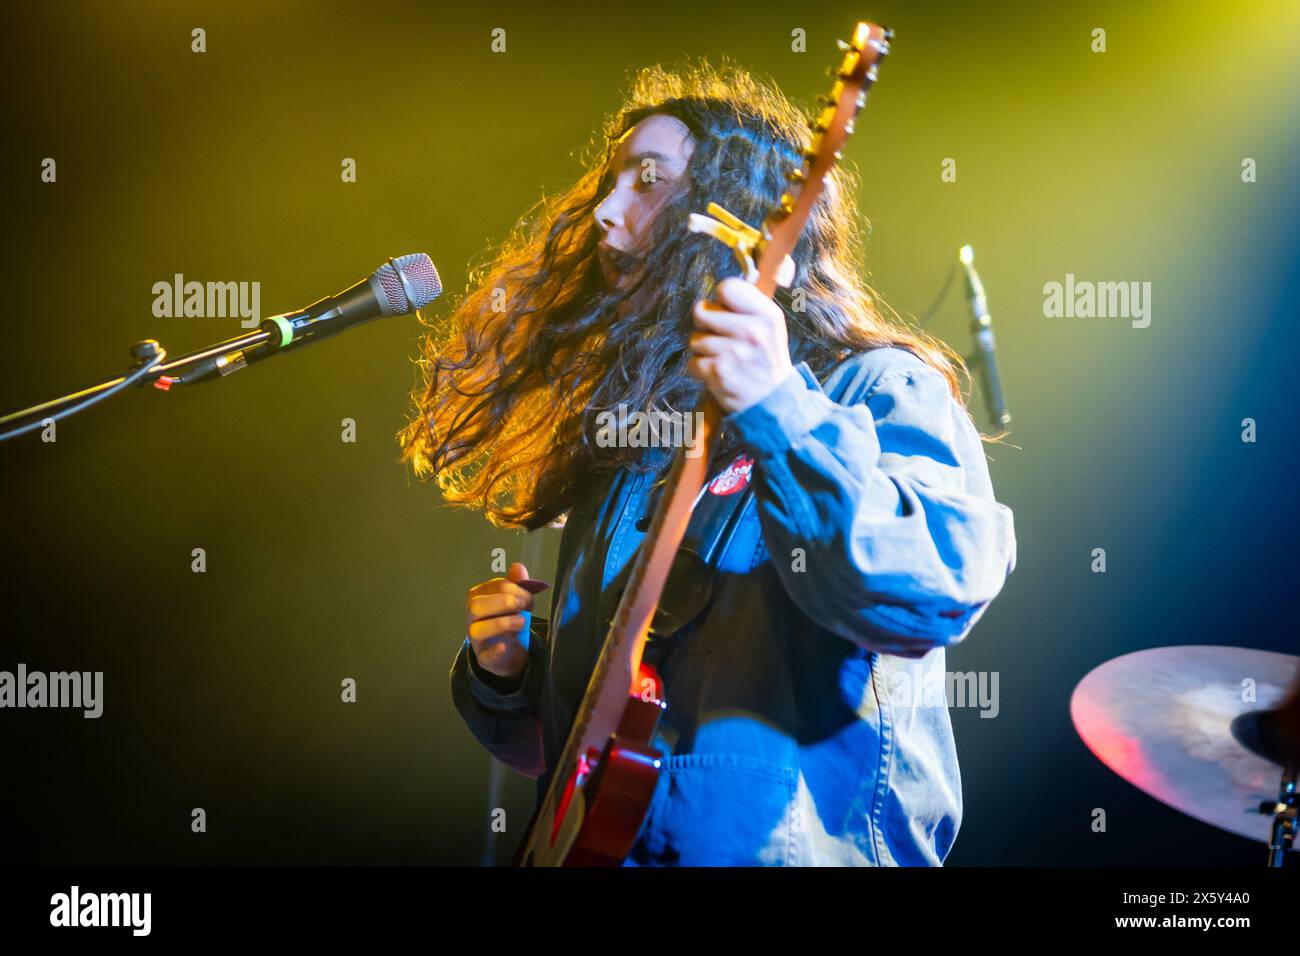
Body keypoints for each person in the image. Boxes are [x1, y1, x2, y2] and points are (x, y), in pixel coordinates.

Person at [400, 61, 1017, 865]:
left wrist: (779, 412)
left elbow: (935, 587)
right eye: (609, 182)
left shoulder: (871, 388)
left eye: (646, 180)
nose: (605, 210)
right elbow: (582, 760)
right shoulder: (632, 444)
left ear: (735, 220)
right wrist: (510, 675)